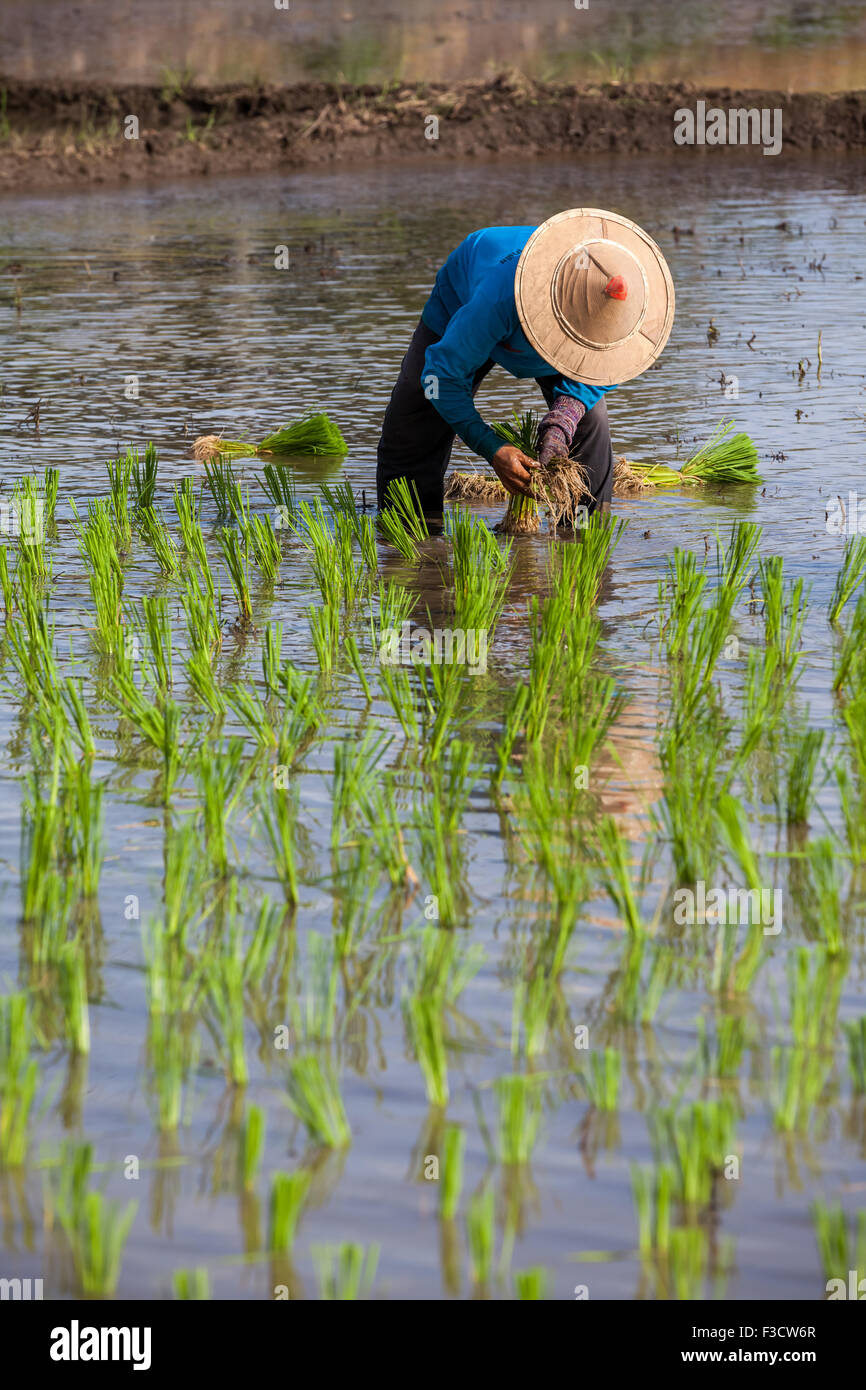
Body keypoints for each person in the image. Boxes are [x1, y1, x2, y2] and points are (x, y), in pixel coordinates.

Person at [376, 207, 675, 519]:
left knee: (591, 420)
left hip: (558, 320)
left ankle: (585, 538)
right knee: (416, 417)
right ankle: (410, 538)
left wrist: (564, 418)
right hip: (469, 297)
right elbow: (440, 380)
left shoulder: (629, 315)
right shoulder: (496, 301)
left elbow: (614, 365)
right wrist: (491, 448)